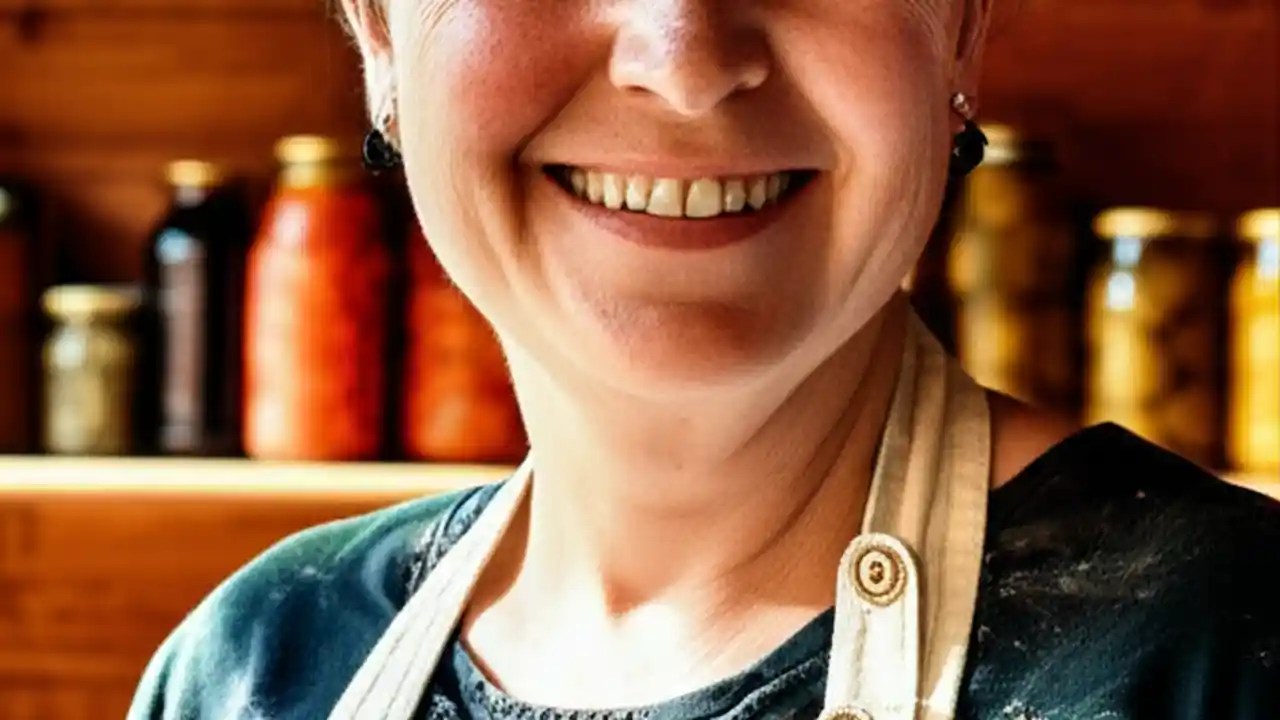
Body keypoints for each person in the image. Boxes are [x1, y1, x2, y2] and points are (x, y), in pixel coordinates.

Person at [127, 1, 1280, 718]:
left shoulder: (1220, 654)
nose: (681, 57)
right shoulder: (252, 669)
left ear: (961, 26)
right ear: (378, 30)